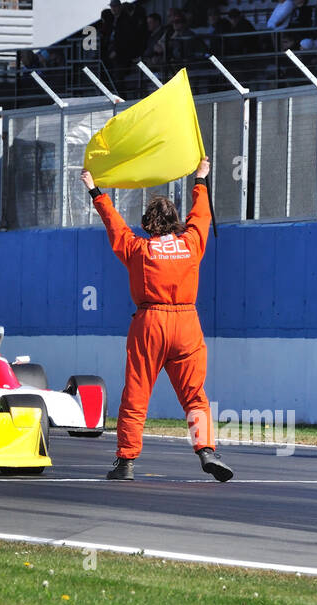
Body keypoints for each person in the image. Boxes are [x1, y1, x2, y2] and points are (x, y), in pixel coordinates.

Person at [81, 158, 234, 483]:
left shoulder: (139, 249)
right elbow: (202, 216)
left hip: (150, 323)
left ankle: (126, 461)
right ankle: (206, 449)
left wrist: (96, 192)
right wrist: (201, 179)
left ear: (149, 224)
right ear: (175, 221)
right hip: (187, 325)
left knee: (136, 395)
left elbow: (115, 226)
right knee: (195, 394)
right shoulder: (192, 244)